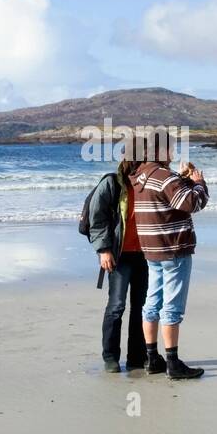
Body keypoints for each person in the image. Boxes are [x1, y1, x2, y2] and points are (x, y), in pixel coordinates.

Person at [132, 134, 208, 379]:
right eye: (171, 149)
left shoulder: (140, 176)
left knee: (152, 302)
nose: (174, 153)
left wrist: (181, 178)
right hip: (173, 248)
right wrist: (199, 183)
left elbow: (167, 197)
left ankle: (153, 358)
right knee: (172, 308)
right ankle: (173, 363)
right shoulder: (165, 177)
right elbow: (192, 203)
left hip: (151, 249)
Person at [87, 148, 161, 374]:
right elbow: (96, 216)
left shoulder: (148, 184)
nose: (141, 164)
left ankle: (136, 358)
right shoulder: (113, 183)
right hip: (119, 256)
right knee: (117, 306)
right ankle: (110, 357)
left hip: (145, 255)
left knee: (142, 307)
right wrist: (104, 250)